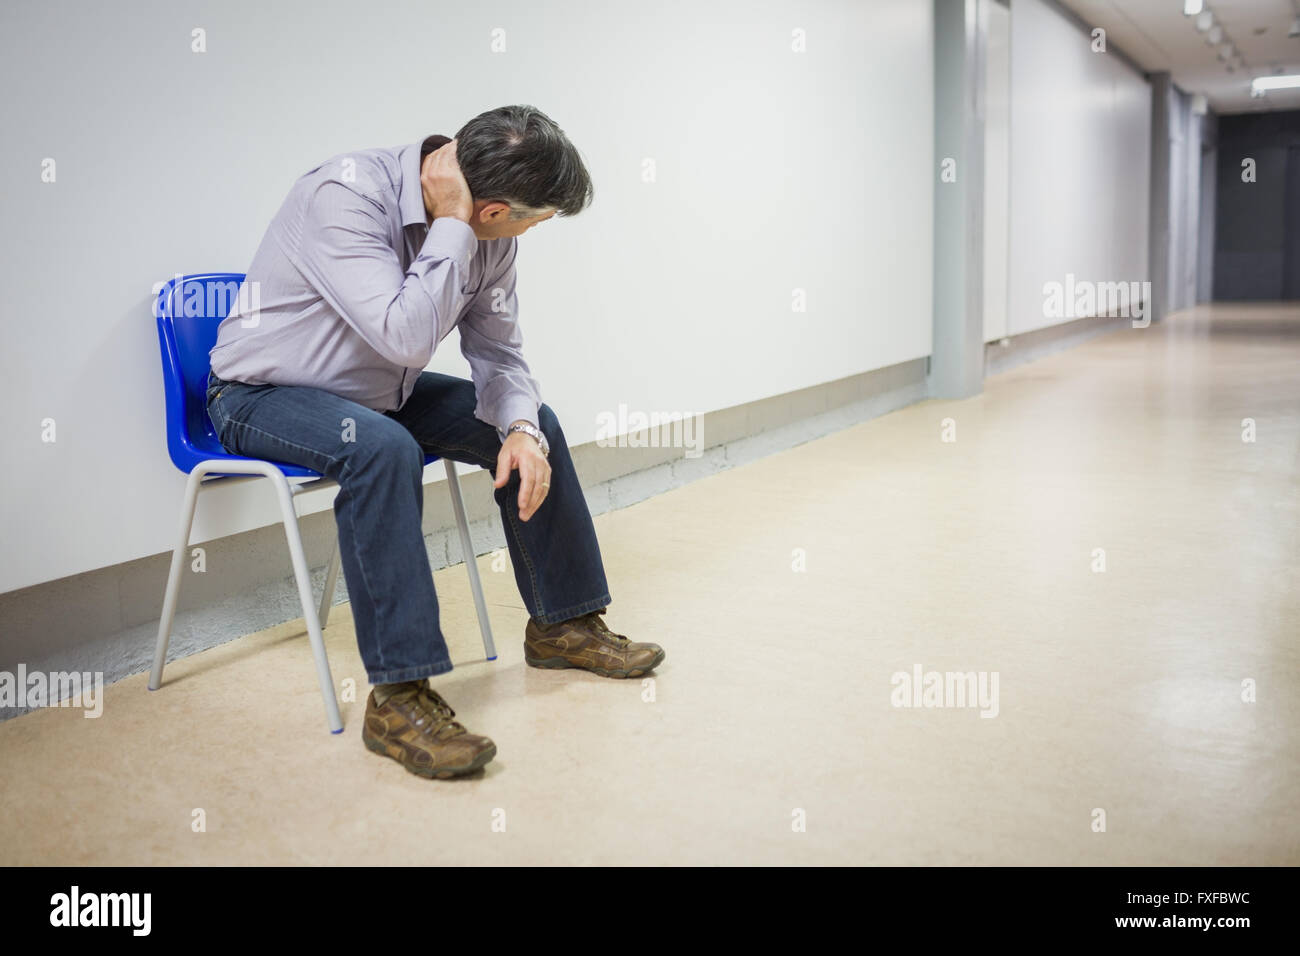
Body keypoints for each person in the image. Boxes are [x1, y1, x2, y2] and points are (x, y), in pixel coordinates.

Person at [205, 104, 664, 779]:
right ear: (492, 209)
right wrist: (451, 227)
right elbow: (404, 336)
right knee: (381, 448)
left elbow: (500, 358)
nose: (533, 233)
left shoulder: (493, 237)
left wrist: (519, 431)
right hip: (260, 394)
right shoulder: (342, 199)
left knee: (535, 421)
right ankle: (397, 699)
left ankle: (563, 623)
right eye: (534, 219)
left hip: (376, 394)